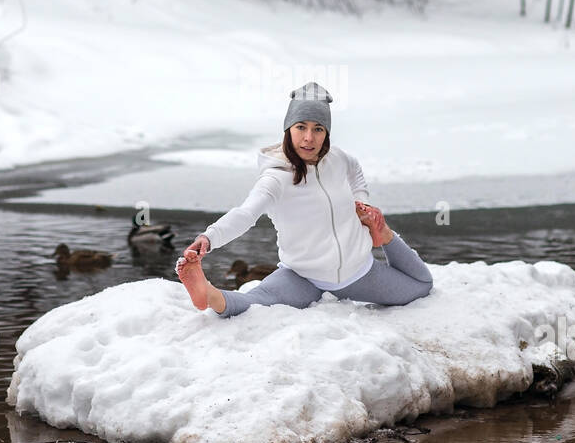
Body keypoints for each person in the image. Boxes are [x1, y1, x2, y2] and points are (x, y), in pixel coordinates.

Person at [174, 81, 433, 317]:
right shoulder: (276, 178)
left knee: (422, 284)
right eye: (301, 127)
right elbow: (246, 213)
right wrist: (210, 237)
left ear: (326, 133)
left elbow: (355, 171)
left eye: (318, 129)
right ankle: (209, 294)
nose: (309, 138)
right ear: (288, 129)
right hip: (303, 277)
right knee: (254, 304)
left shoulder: (337, 159)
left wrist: (360, 202)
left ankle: (384, 234)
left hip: (360, 272)